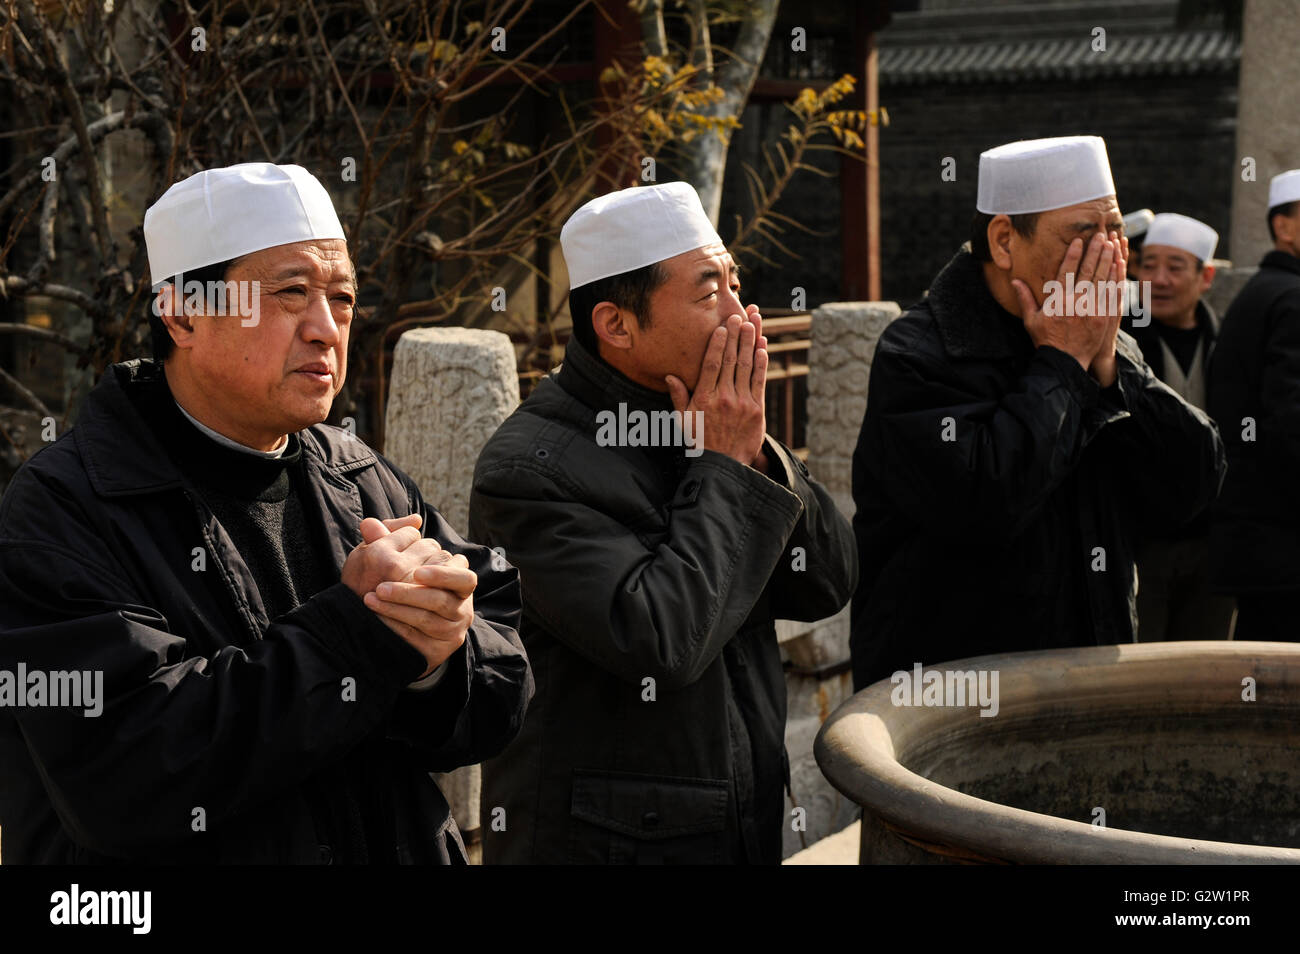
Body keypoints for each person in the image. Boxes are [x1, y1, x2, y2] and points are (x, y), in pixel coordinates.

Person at [0, 162, 532, 863]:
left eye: (341, 299)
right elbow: (128, 770)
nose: (326, 329)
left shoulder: (359, 476)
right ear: (184, 312)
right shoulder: (65, 506)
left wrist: (442, 653)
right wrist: (361, 635)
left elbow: (499, 687)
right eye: (290, 294)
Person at [469, 181, 857, 864]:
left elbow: (827, 582)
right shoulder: (530, 470)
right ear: (616, 325)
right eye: (710, 293)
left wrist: (760, 456)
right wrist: (727, 467)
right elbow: (664, 640)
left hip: (740, 822)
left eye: (736, 283)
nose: (742, 315)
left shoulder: (708, 421)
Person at [850, 136, 1225, 691]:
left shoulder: (1105, 340)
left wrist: (1108, 369)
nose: (1108, 254)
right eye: (1084, 234)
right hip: (952, 689)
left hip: (1091, 671)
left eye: (1116, 231)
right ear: (1004, 241)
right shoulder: (919, 353)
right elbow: (986, 506)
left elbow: (1189, 488)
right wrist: (1062, 363)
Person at [1123, 213, 1233, 640]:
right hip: (1141, 540)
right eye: (1148, 266)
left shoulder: (1225, 341)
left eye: (1174, 267)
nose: (1160, 280)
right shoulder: (1120, 339)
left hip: (1212, 540)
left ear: (1205, 276)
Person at [1208, 168, 1300, 640]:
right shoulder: (1290, 297)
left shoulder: (1266, 291)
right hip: (1283, 544)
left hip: (1262, 544)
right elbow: (1291, 424)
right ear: (1283, 226)